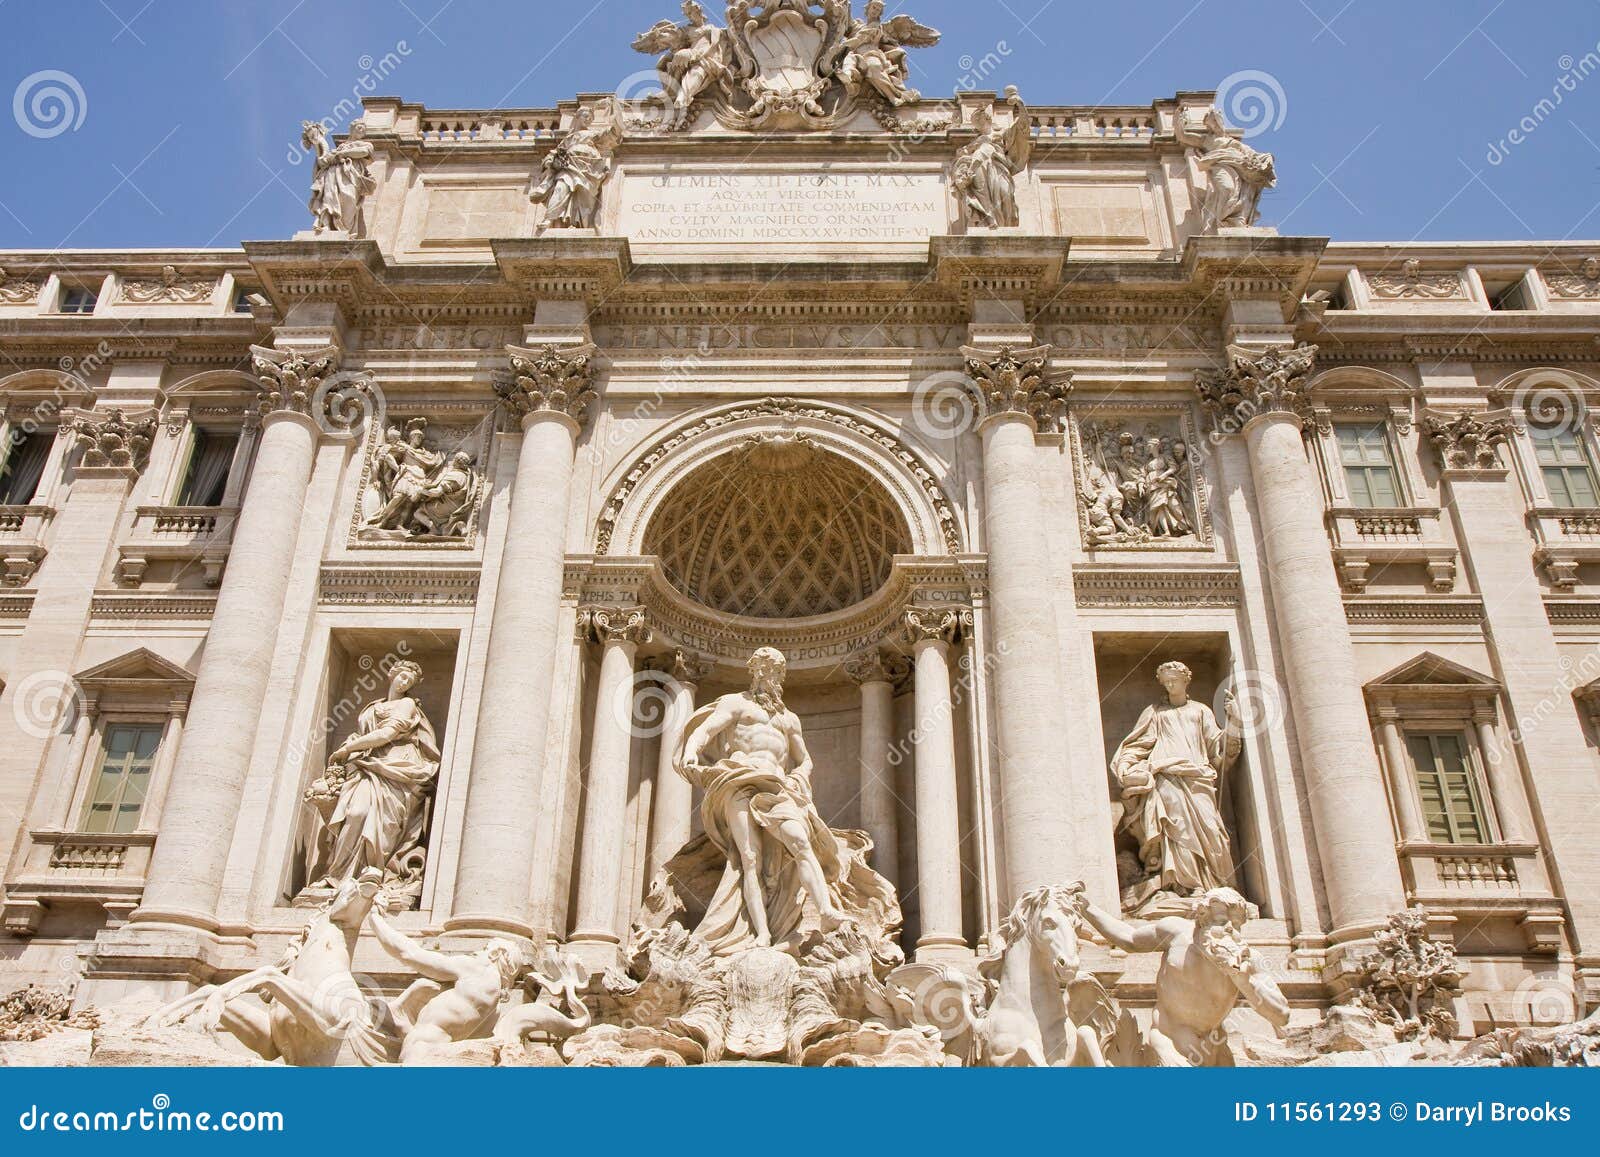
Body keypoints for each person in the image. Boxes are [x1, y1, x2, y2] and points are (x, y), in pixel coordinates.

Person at [675, 647, 852, 951]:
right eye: (762, 670)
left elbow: (805, 760)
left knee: (801, 843)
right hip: (739, 780)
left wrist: (799, 777)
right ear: (753, 672)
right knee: (750, 858)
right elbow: (705, 731)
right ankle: (761, 935)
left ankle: (825, 911)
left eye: (774, 671)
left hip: (777, 786)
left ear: (781, 677)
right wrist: (691, 750)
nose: (767, 676)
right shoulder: (735, 704)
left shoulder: (789, 720)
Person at [1075, 886, 1289, 1066]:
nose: (1231, 930)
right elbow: (1128, 938)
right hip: (1170, 1042)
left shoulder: (1249, 960)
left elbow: (1281, 1015)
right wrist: (1087, 908)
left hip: (1215, 1048)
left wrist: (1244, 980)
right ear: (1202, 919)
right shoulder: (1176, 933)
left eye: (1237, 923)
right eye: (1223, 921)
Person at [1112, 661, 1240, 905]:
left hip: (1198, 777)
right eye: (1166, 681)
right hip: (1167, 776)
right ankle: (1183, 885)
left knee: (1212, 831)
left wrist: (1234, 720)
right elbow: (1138, 745)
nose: (1170, 685)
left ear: (1185, 681)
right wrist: (1126, 765)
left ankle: (1212, 883)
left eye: (1174, 680)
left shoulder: (1201, 711)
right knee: (1176, 828)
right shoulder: (1155, 713)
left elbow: (1218, 750)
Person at [309, 660, 439, 889]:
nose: (405, 681)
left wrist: (350, 748)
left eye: (410, 680)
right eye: (402, 675)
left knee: (382, 823)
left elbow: (387, 733)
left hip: (397, 768)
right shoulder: (372, 707)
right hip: (366, 765)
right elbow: (368, 734)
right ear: (392, 675)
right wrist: (354, 745)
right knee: (356, 812)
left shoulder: (408, 704)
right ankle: (337, 876)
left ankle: (372, 876)